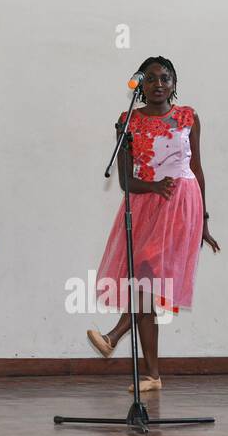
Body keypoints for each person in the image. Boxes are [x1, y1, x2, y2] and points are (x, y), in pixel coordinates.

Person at [85, 57, 220, 394]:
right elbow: (124, 180)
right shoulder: (127, 121)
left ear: (174, 83)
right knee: (144, 287)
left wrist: (203, 219)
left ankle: (114, 336)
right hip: (144, 205)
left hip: (180, 204)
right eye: (151, 79)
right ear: (139, 85)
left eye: (165, 78)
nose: (158, 84)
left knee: (145, 279)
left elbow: (197, 168)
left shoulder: (188, 117)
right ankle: (152, 375)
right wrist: (153, 186)